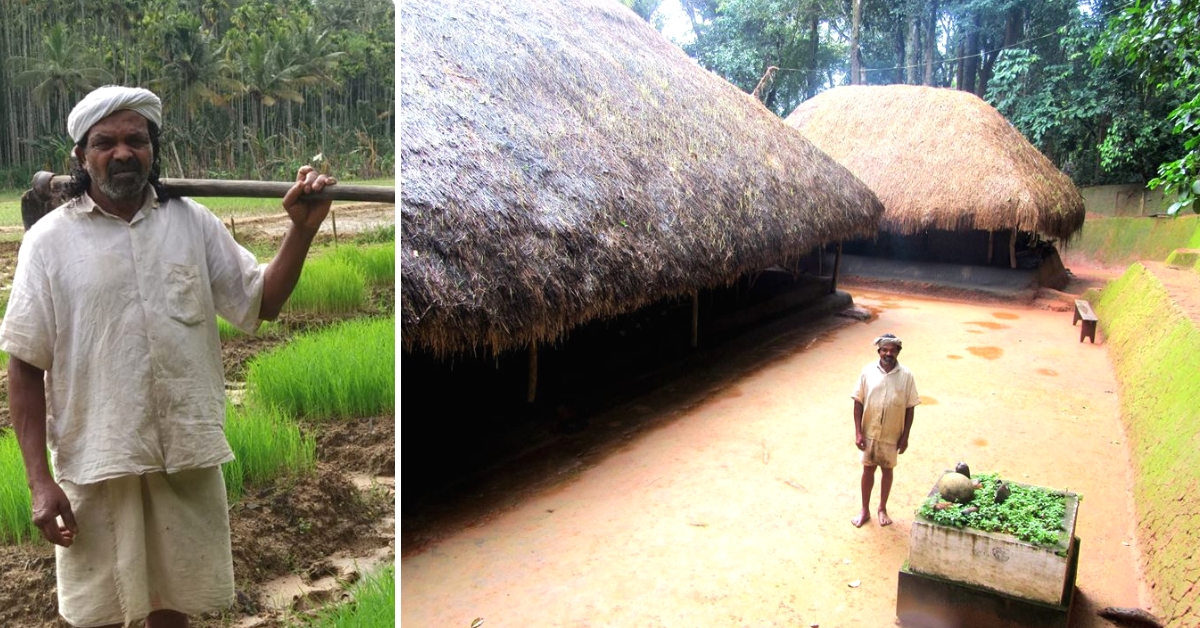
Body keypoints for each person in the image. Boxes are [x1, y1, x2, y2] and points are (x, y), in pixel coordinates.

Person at [0, 85, 335, 628]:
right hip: (97, 460)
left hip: (185, 452)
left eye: (137, 139)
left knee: (177, 610)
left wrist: (300, 230)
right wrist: (40, 482)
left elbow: (262, 301)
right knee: (100, 613)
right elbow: (24, 365)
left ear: (155, 149)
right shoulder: (49, 243)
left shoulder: (192, 223)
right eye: (105, 142)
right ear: (82, 157)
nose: (123, 153)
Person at [850, 333, 919, 528]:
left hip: (892, 434)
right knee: (868, 469)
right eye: (884, 350)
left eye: (892, 350)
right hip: (870, 431)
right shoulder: (867, 372)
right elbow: (858, 402)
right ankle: (864, 509)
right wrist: (858, 432)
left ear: (898, 352)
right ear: (879, 351)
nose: (888, 353)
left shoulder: (906, 376)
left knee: (887, 470)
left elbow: (910, 407)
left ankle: (882, 508)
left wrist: (905, 437)